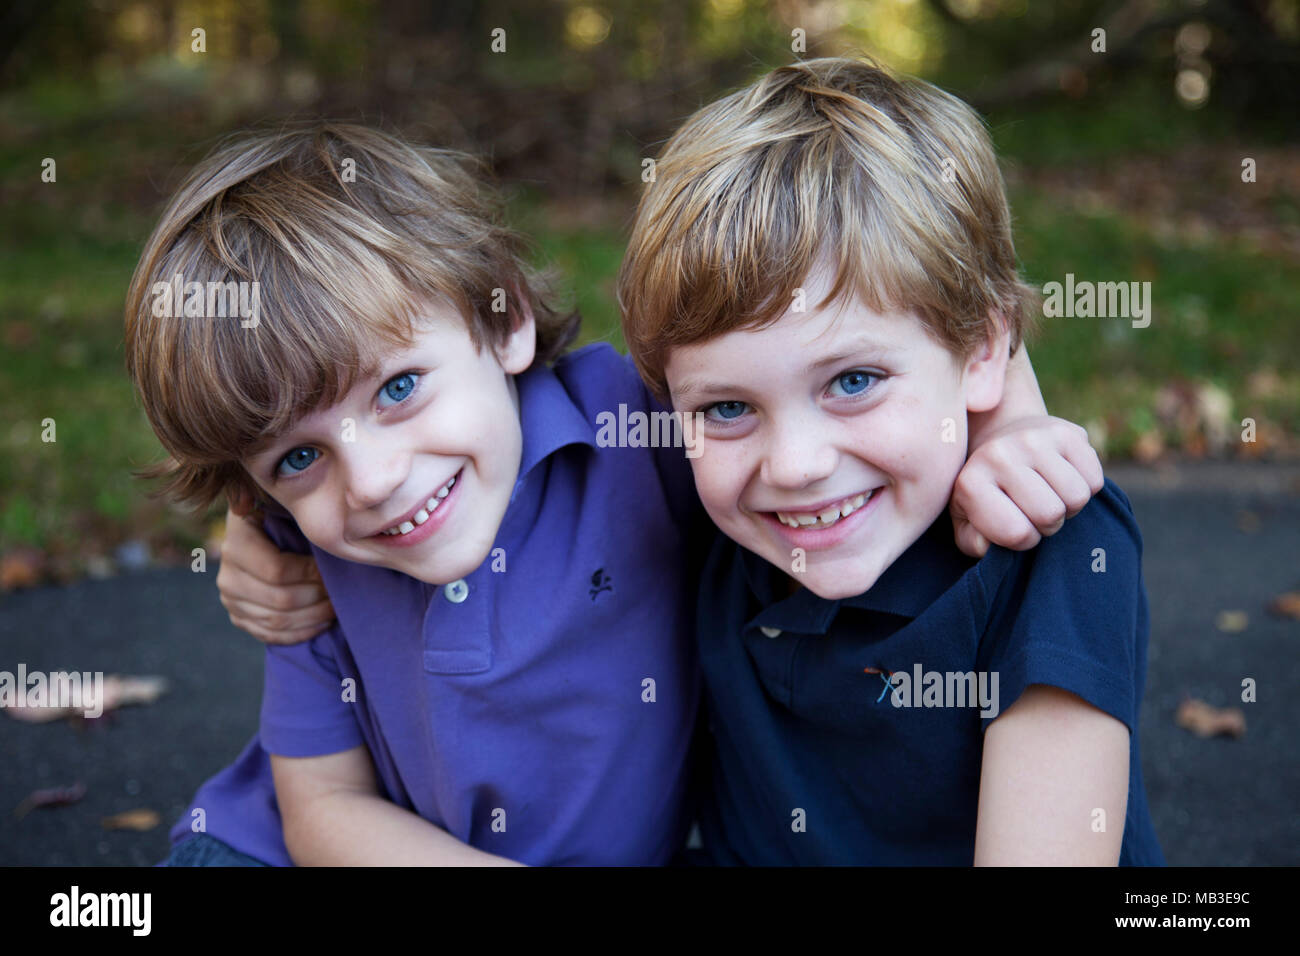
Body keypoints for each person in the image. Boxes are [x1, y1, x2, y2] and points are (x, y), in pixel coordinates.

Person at [167, 116, 1103, 865]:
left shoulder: (638, 428)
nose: (370, 480)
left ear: (505, 322)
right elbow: (319, 815)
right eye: (298, 458)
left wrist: (1012, 422)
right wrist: (254, 527)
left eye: (400, 389)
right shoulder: (309, 550)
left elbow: (860, 337)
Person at [615, 57, 1165, 864]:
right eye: (728, 407)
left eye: (853, 381)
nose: (795, 465)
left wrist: (1012, 418)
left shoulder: (1052, 545)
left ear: (983, 347)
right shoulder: (701, 504)